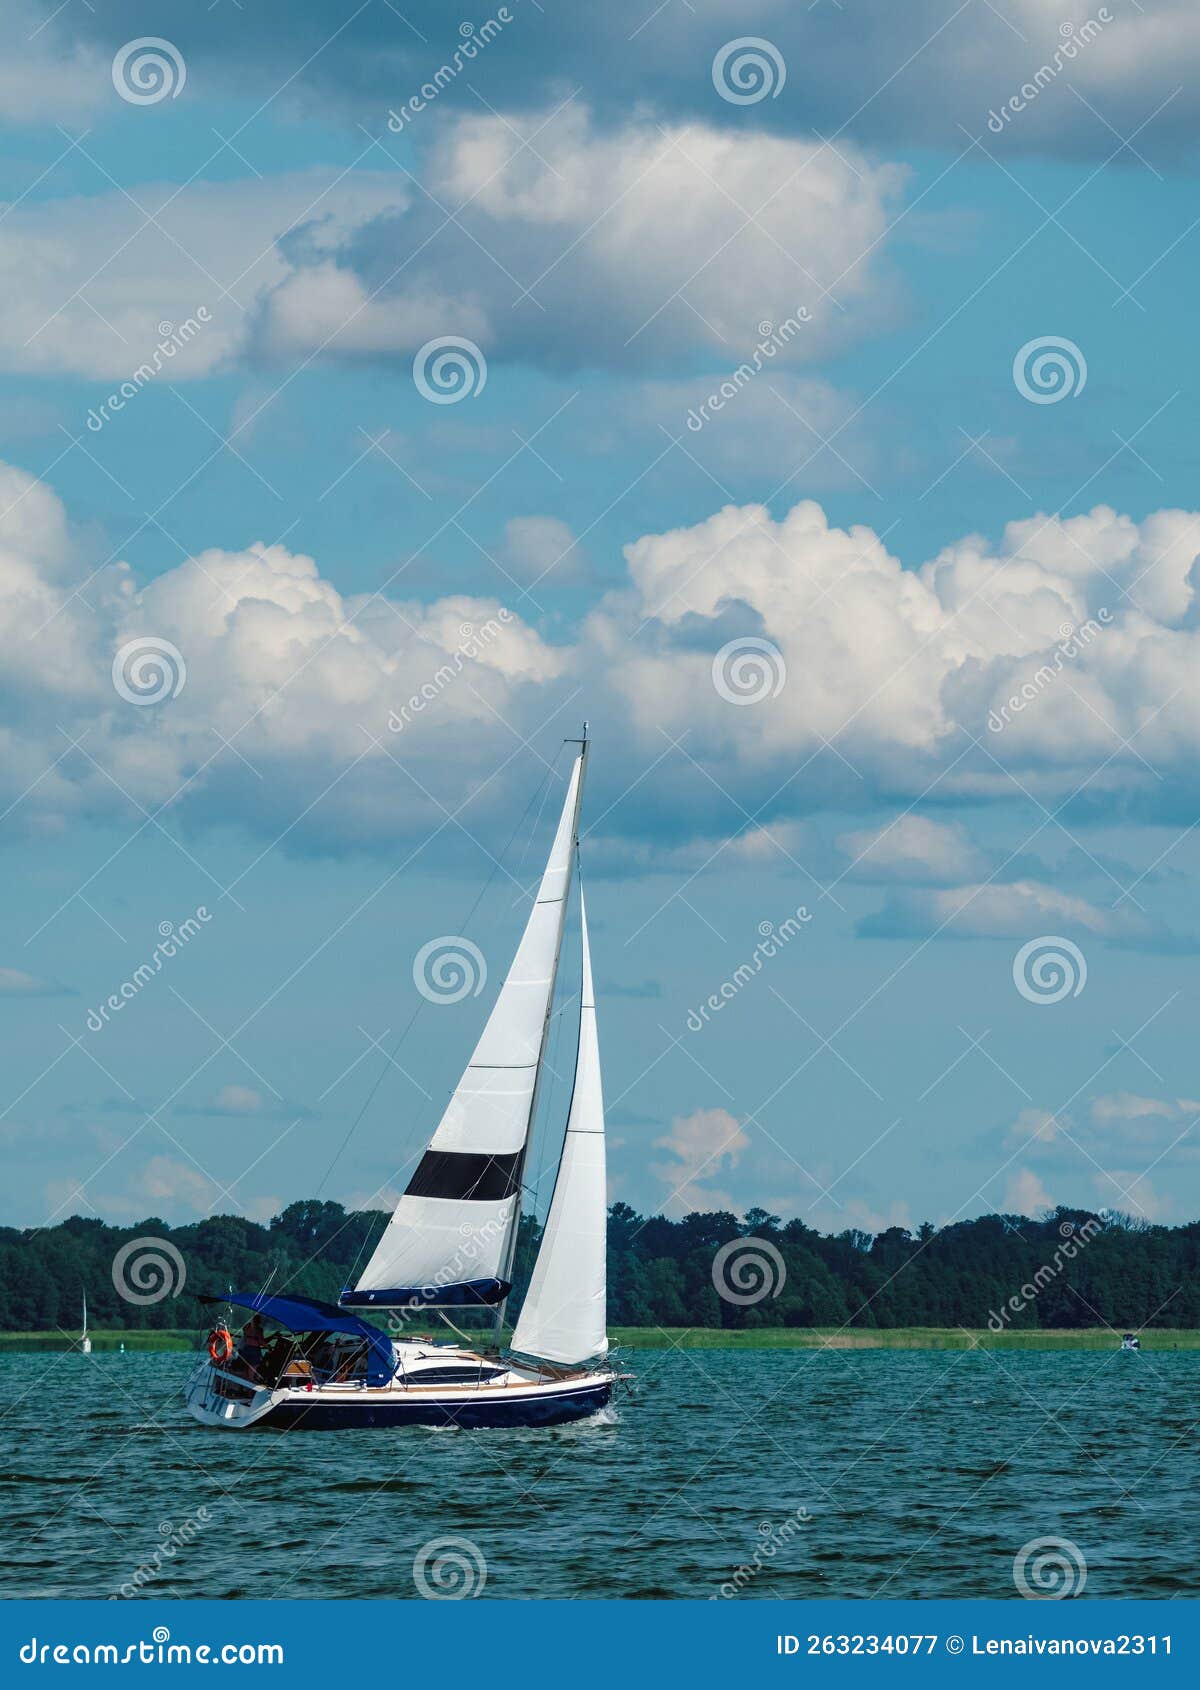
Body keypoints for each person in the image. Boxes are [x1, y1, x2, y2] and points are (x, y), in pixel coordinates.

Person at [239, 1313, 266, 1379]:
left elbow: (244, 1333)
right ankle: (250, 1380)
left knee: (245, 1366)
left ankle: (244, 1381)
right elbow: (262, 1342)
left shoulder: (247, 1327)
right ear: (259, 1321)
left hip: (246, 1348)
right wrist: (266, 1345)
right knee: (253, 1367)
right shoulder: (259, 1329)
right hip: (254, 1350)